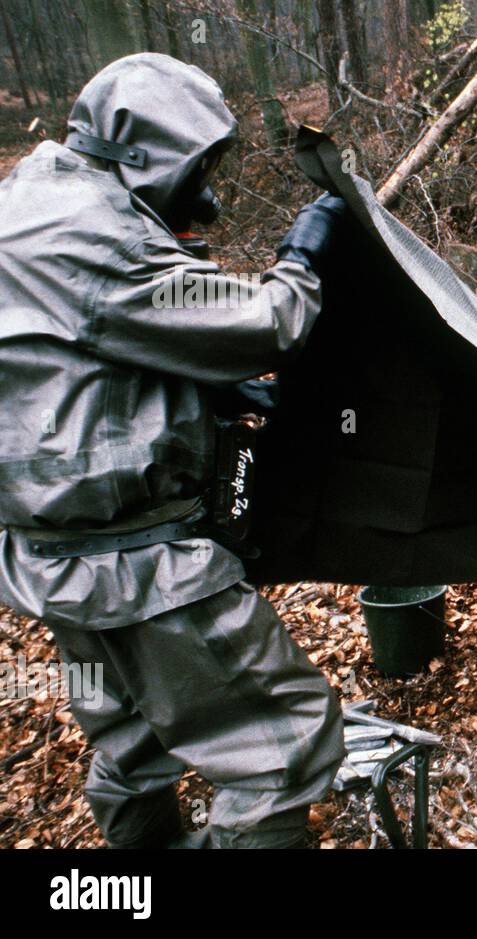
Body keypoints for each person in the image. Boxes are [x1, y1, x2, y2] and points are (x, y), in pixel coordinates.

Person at [0, 53, 346, 848]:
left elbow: (82, 356)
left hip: (52, 553)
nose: (209, 194)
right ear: (154, 155)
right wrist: (305, 255)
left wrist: (207, 397)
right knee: (284, 748)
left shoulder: (29, 199)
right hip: (137, 569)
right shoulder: (93, 235)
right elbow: (266, 324)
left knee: (133, 746)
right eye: (199, 168)